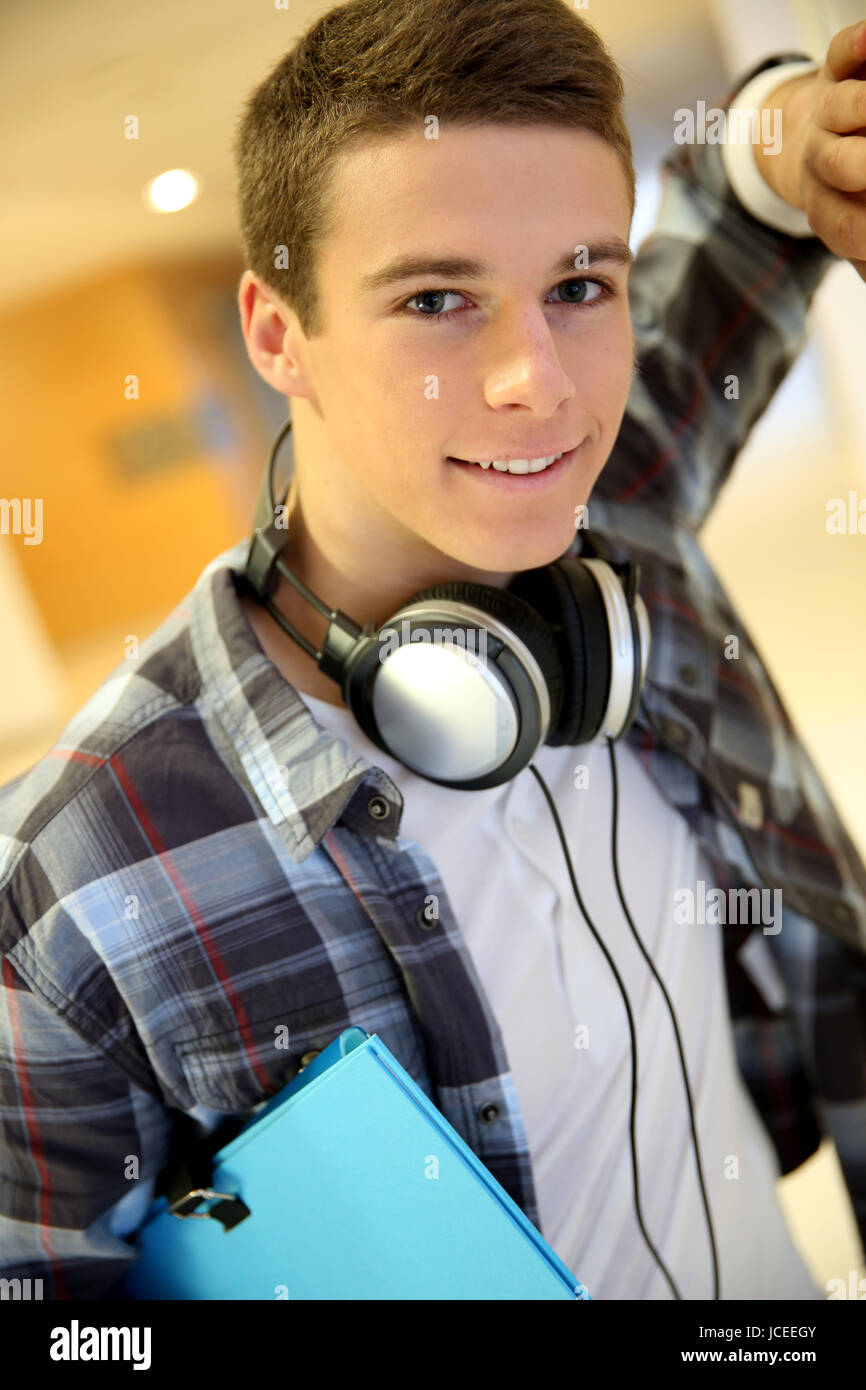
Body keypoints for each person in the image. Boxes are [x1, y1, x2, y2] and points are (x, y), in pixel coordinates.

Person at [1, 0, 865, 1302]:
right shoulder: (71, 872)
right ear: (277, 330)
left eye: (577, 285)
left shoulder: (611, 518)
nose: (537, 380)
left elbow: (744, 198)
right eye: (435, 299)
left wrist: (794, 127)